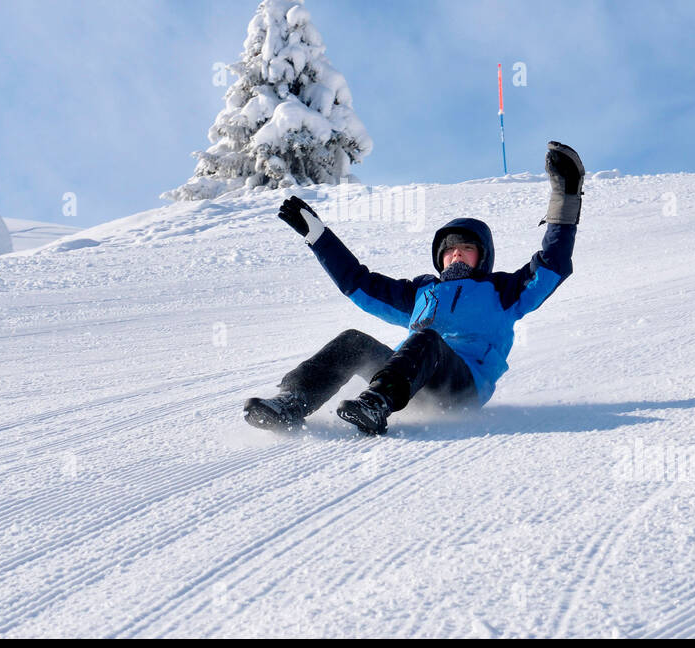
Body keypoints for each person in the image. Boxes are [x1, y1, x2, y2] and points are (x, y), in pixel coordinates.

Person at [244, 141, 583, 436]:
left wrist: (565, 196)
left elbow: (552, 263)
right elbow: (358, 284)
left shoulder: (504, 291)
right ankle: (291, 403)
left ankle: (377, 403)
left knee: (427, 339)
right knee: (352, 342)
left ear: (483, 257)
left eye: (466, 247)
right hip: (410, 384)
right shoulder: (422, 293)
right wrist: (318, 237)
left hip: (461, 389)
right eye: (449, 249)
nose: (456, 253)